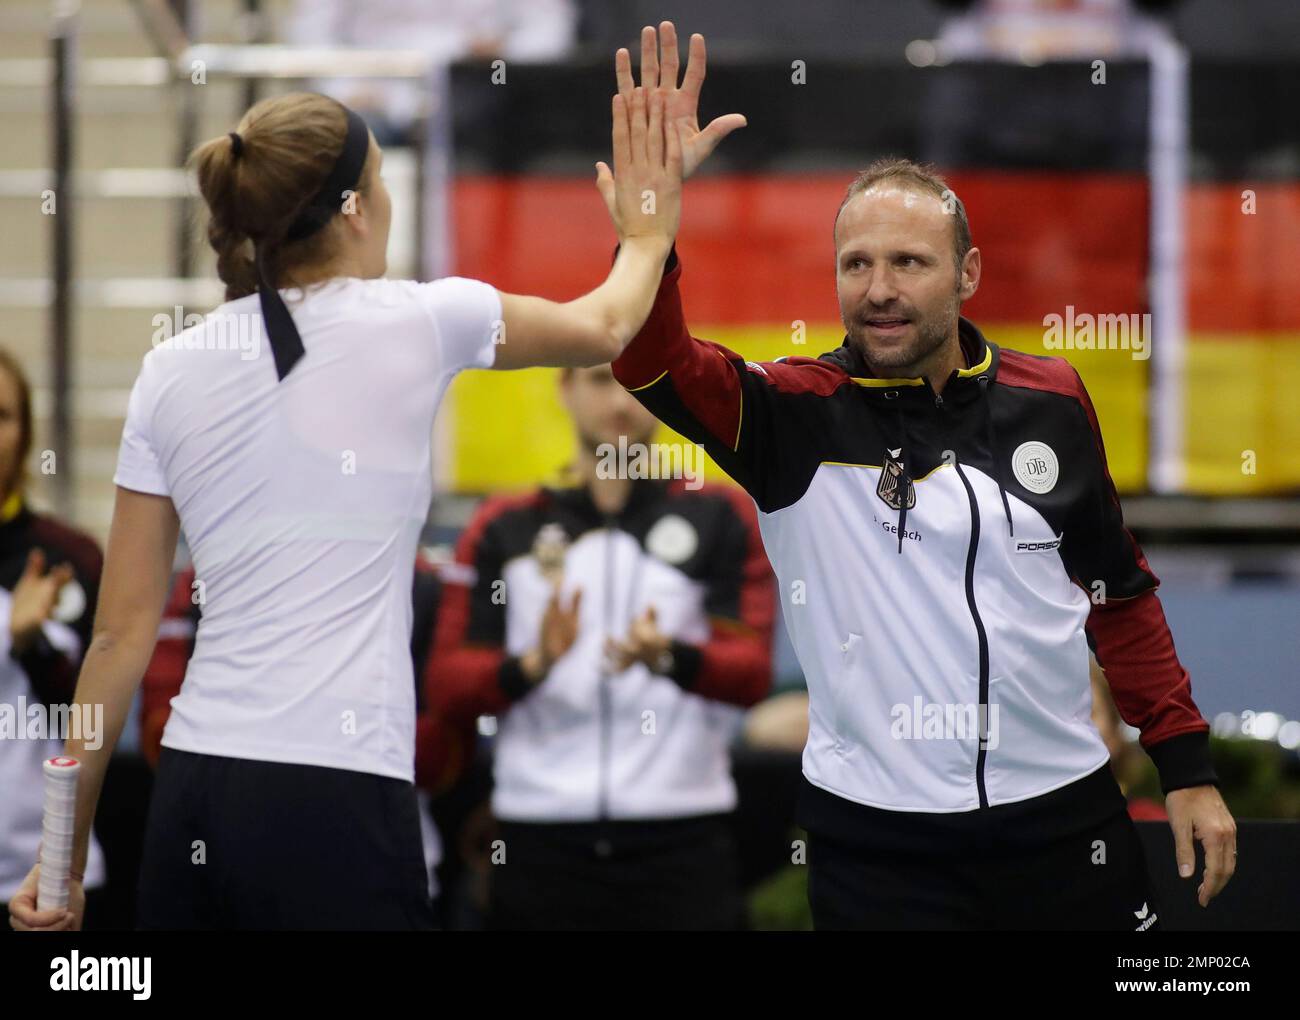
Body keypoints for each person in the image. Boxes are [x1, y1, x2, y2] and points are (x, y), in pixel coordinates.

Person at [10, 74, 684, 930]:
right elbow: (607, 327)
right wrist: (650, 226)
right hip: (335, 789)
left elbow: (117, 635)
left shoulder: (167, 370)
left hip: (195, 789)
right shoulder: (420, 319)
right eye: (385, 185)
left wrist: (60, 860)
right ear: (356, 209)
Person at [607, 22, 1235, 930]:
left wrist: (1186, 769)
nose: (878, 288)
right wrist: (650, 236)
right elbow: (648, 361)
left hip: (1062, 824)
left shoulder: (1051, 398)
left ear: (968, 273)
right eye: (856, 264)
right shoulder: (788, 413)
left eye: (908, 261)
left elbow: (1119, 594)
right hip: (876, 848)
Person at [430, 363, 774, 930]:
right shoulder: (504, 526)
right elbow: (448, 686)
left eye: (637, 384)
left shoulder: (720, 515)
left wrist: (668, 657)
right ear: (565, 390)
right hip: (539, 839)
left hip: (682, 837)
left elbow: (752, 675)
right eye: (598, 379)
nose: (620, 402)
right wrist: (532, 665)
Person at [0, 350, 106, 922]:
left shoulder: (71, 557)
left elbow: (93, 719)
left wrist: (33, 646)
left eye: (1, 415)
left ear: (26, 432)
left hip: (43, 874)